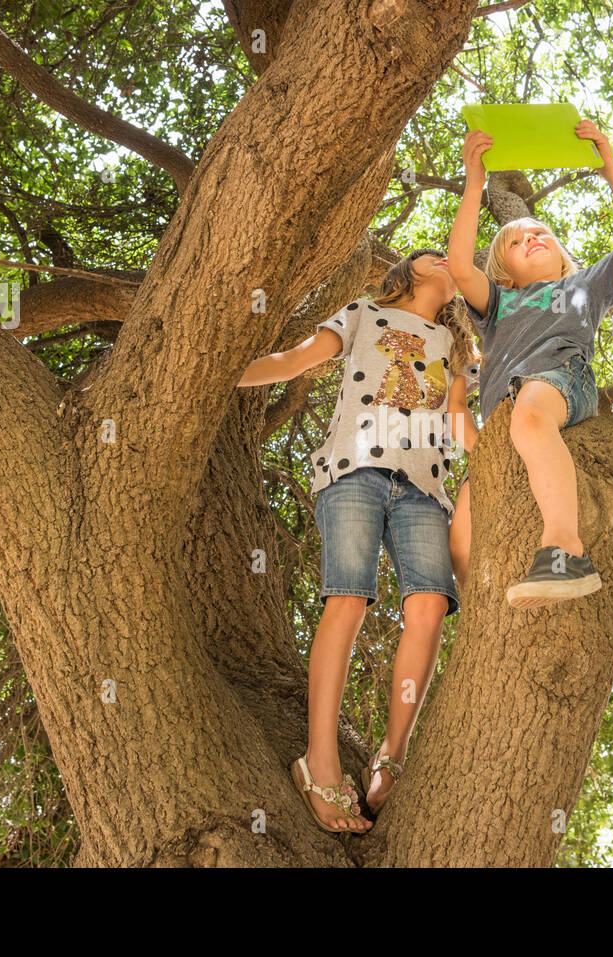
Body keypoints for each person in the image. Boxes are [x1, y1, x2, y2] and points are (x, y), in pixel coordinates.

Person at [238, 250, 480, 832]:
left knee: (429, 606)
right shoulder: (364, 314)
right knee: (346, 598)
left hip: (426, 487)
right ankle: (319, 761)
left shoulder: (457, 352)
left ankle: (390, 758)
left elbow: (458, 426)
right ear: (407, 273)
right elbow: (297, 360)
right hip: (355, 470)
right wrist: (217, 371)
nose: (450, 259)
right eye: (435, 253)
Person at [447, 118, 613, 608]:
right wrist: (474, 184)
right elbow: (461, 268)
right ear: (503, 269)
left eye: (539, 231)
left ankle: (566, 549)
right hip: (503, 412)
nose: (531, 239)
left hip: (561, 378)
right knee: (460, 533)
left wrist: (609, 167)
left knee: (529, 416)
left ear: (561, 250)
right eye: (517, 241)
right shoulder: (498, 304)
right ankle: (477, 613)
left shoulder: (585, 285)